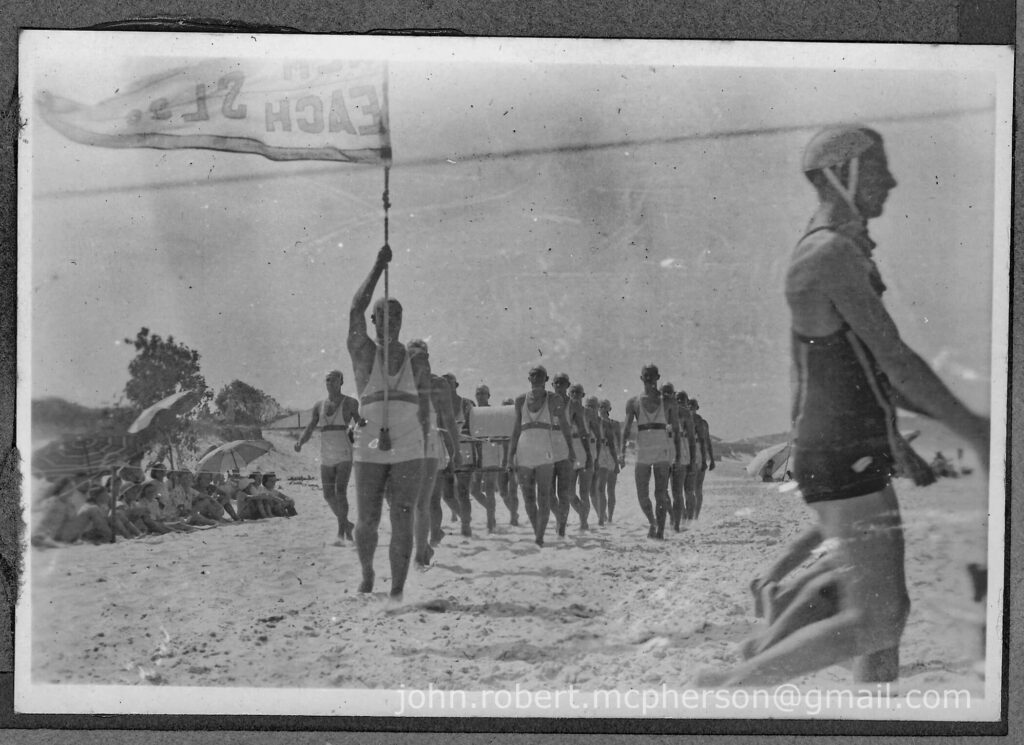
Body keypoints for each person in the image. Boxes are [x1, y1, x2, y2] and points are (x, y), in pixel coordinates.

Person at [693, 126, 989, 687]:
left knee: (870, 603)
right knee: (880, 618)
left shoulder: (835, 249)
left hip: (845, 446)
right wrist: (974, 428)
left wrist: (894, 437)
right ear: (843, 174)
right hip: (839, 449)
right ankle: (733, 689)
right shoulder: (828, 254)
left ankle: (770, 669)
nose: (893, 182)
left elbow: (858, 370)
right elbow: (895, 360)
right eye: (879, 170)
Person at [348, 244, 432, 600]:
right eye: (381, 317)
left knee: (402, 514)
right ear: (373, 321)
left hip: (409, 442)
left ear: (401, 321)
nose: (387, 323)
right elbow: (355, 307)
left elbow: (426, 407)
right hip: (369, 441)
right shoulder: (364, 353)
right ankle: (367, 572)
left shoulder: (417, 358)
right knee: (367, 519)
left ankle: (397, 589)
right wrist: (378, 266)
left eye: (394, 318)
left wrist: (426, 444)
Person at [507, 365, 576, 547]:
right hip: (524, 450)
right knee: (528, 497)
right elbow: (515, 430)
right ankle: (537, 531)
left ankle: (540, 536)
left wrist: (571, 449)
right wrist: (509, 456)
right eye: (533, 375)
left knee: (544, 496)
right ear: (528, 378)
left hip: (545, 451)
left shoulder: (554, 399)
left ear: (546, 380)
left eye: (540, 375)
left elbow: (565, 426)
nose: (536, 378)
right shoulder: (520, 400)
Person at [406, 339, 461, 570]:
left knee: (426, 500)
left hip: (431, 443)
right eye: (411, 357)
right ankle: (424, 545)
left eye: (421, 357)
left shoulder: (438, 384)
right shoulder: (399, 382)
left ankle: (423, 549)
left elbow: (448, 419)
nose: (416, 362)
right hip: (404, 443)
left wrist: (455, 450)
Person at [295, 369, 360, 545]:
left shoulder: (351, 402)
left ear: (341, 382)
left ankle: (341, 533)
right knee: (327, 494)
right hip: (326, 452)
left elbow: (360, 422)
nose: (329, 383)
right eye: (327, 380)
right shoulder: (319, 405)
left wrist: (357, 429)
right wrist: (301, 442)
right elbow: (310, 427)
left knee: (341, 492)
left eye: (333, 380)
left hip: (343, 451)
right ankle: (347, 524)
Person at [623, 365, 681, 539]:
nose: (648, 379)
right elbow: (625, 429)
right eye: (645, 376)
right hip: (642, 454)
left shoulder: (669, 402)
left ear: (658, 377)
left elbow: (676, 430)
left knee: (661, 494)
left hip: (662, 454)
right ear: (641, 378)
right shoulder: (633, 402)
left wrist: (676, 455)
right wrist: (621, 452)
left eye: (652, 376)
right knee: (642, 495)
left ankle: (660, 531)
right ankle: (652, 522)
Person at [549, 373, 592, 535]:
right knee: (548, 494)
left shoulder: (572, 405)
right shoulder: (546, 401)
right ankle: (561, 517)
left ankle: (562, 528)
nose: (559, 386)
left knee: (565, 492)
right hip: (547, 448)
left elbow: (582, 431)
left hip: (566, 449)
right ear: (552, 384)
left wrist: (588, 454)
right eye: (557, 383)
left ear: (567, 386)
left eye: (563, 383)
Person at [442, 372, 477, 537]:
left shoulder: (466, 404)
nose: (447, 386)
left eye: (450, 383)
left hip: (464, 449)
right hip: (444, 450)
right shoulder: (439, 405)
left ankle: (465, 525)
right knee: (447, 494)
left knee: (463, 491)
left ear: (456, 385)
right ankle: (465, 518)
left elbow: (475, 429)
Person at [469, 384, 503, 533]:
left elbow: (501, 432)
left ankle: (490, 521)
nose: (480, 396)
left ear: (489, 396)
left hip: (491, 451)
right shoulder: (472, 412)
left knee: (489, 489)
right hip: (475, 452)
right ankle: (492, 514)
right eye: (478, 393)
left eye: (483, 393)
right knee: (475, 491)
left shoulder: (493, 412)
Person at [689, 397, 715, 519]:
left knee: (696, 487)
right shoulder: (686, 420)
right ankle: (693, 515)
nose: (691, 408)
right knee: (692, 488)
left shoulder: (702, 423)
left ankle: (695, 515)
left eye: (692, 406)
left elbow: (707, 441)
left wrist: (712, 460)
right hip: (692, 453)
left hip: (697, 454)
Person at [599, 399, 624, 523]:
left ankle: (610, 517)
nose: (602, 408)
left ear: (609, 409)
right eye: (600, 406)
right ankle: (603, 516)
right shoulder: (596, 422)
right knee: (601, 488)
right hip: (600, 454)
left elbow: (619, 442)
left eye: (605, 406)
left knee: (611, 489)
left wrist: (620, 458)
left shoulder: (615, 424)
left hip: (611, 453)